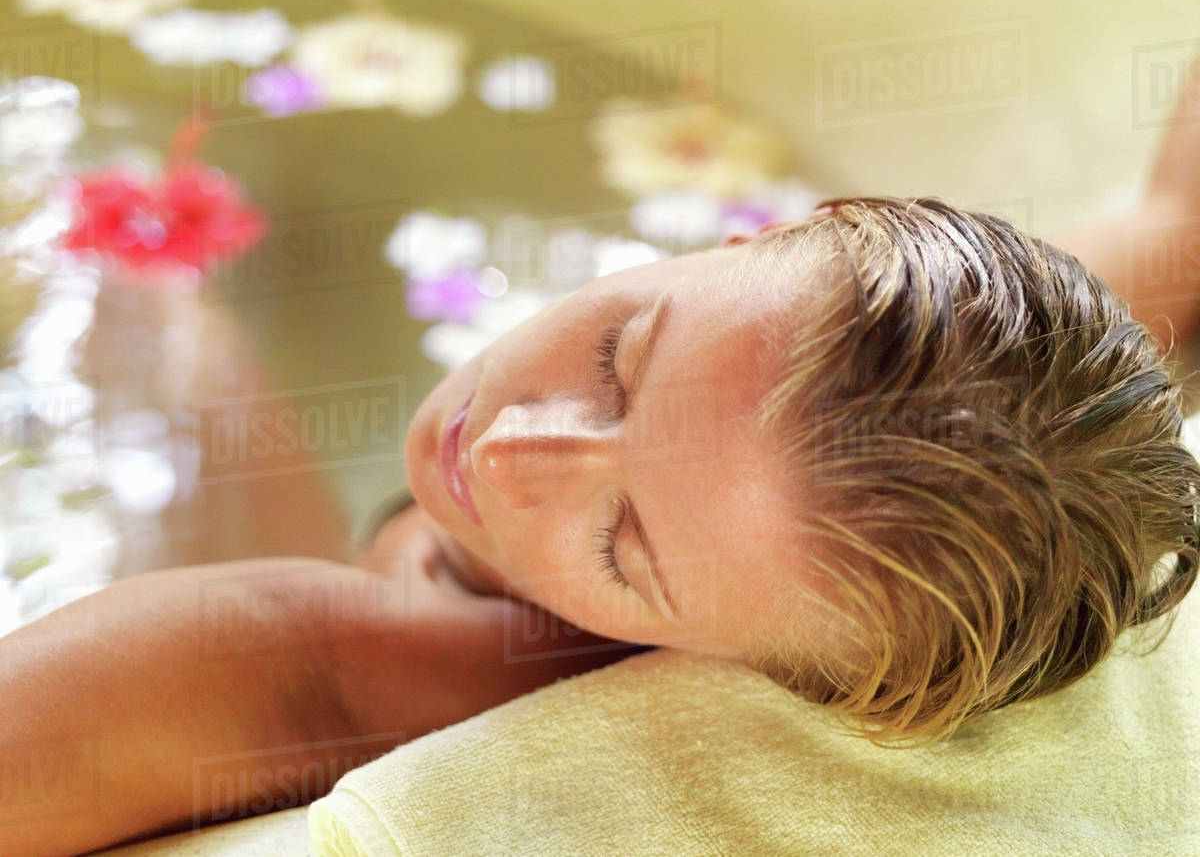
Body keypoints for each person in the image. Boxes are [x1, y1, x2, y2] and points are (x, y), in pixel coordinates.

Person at [7, 111, 1200, 857]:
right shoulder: (950, 414)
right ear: (764, 237)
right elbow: (1178, 218)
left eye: (622, 547)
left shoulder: (331, 655)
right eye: (616, 358)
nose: (508, 450)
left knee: (143, 299)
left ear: (731, 668)